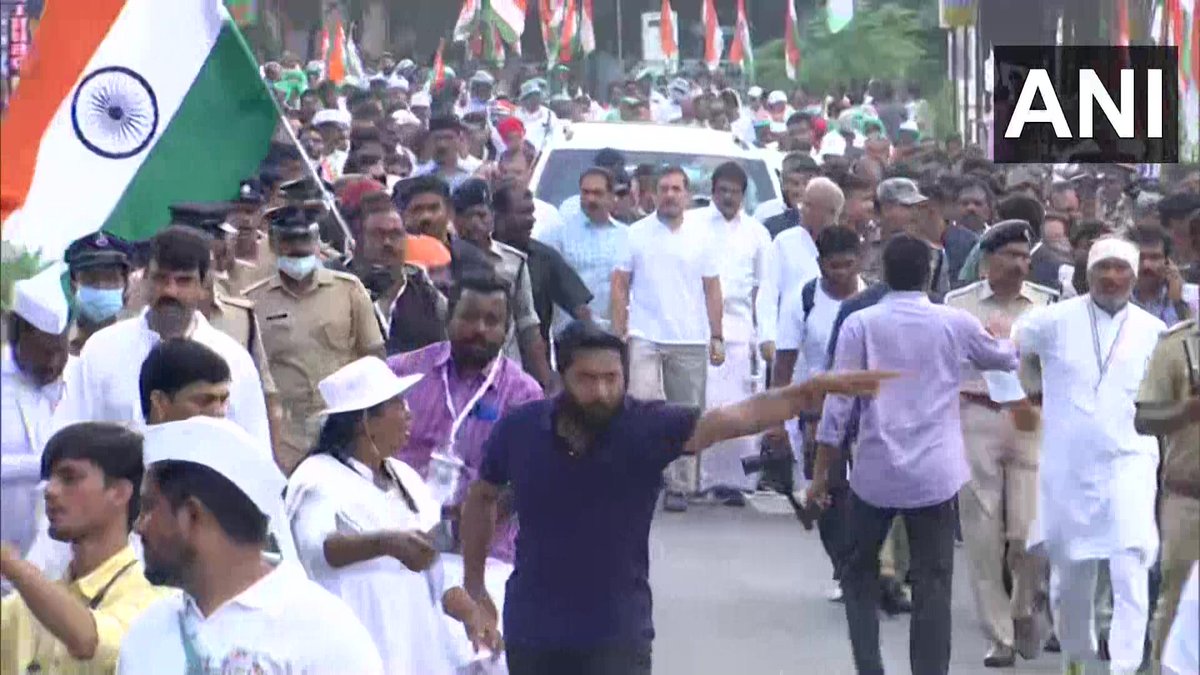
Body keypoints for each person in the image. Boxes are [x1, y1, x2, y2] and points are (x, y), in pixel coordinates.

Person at [457, 320, 895, 675]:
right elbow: (481, 499)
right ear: (561, 377)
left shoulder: (645, 427)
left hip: (618, 631)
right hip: (533, 627)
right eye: (587, 379)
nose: (602, 391)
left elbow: (735, 418)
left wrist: (806, 392)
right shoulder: (520, 429)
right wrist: (474, 584)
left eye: (612, 378)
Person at [810, 234, 1020, 675]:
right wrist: (1005, 336)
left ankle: (870, 665)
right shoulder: (954, 322)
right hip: (935, 473)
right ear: (930, 274)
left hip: (874, 472)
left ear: (883, 274)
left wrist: (820, 473)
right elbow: (1002, 359)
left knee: (858, 576)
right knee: (933, 583)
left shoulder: (861, 324)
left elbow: (839, 403)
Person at [117, 417, 383, 673]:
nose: (139, 526)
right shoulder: (146, 635)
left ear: (192, 515)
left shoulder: (323, 635)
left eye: (149, 508)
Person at [1016, 237, 1167, 675]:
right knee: (1071, 574)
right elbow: (1010, 350)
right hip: (1069, 464)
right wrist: (1027, 395)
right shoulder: (1050, 321)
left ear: (1135, 276)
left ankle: (1124, 664)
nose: (1112, 278)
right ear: (1088, 273)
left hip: (1130, 461)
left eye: (1122, 269)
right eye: (1104, 268)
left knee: (1130, 562)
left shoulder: (1153, 331)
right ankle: (1077, 659)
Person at [286, 357, 474, 674]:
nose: (408, 413)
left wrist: (470, 613)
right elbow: (316, 549)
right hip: (358, 637)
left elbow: (434, 564)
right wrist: (386, 543)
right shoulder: (316, 476)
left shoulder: (405, 476)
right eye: (397, 404)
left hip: (414, 642)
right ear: (364, 421)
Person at [943, 220, 1058, 667]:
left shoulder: (1047, 305)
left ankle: (1024, 610)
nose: (1018, 264)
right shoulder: (958, 305)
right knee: (981, 533)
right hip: (975, 416)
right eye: (1009, 255)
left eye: (1024, 256)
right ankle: (1000, 637)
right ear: (987, 259)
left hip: (1030, 415)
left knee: (1028, 533)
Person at [56, 226, 270, 444]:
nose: (170, 291)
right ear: (144, 279)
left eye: (183, 281)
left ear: (205, 286)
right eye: (161, 279)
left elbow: (255, 450)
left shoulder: (233, 359)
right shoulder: (102, 350)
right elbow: (75, 439)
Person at [387, 273, 544, 565]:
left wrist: (481, 512)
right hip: (398, 539)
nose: (479, 330)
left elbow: (529, 479)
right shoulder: (401, 373)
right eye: (469, 317)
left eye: (492, 321)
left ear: (507, 330)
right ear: (448, 318)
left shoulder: (524, 395)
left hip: (484, 551)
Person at [1, 423, 168, 674]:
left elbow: (89, 641)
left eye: (69, 478)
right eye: (50, 479)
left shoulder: (157, 601)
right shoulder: (20, 607)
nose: (50, 490)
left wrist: (11, 564)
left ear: (120, 492)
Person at [610, 166, 725, 513]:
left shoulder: (702, 236)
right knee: (640, 404)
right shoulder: (636, 234)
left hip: (690, 338)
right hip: (644, 334)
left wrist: (717, 333)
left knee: (686, 415)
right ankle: (640, 475)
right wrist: (620, 332)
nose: (670, 194)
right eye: (664, 188)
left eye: (677, 189)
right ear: (652, 194)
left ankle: (680, 484)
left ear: (687, 195)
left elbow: (712, 287)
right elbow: (619, 284)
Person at [243, 203, 385, 473]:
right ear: (273, 244)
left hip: (342, 431)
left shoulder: (349, 291)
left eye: (304, 239)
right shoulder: (253, 302)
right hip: (284, 442)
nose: (297, 248)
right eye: (288, 240)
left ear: (317, 242)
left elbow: (374, 362)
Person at [770, 225, 867, 600]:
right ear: (820, 264)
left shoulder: (874, 296)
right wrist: (776, 420)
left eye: (848, 265)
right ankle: (845, 569)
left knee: (869, 495)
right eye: (833, 266)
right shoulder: (804, 298)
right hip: (818, 412)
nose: (841, 273)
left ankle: (870, 569)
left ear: (861, 260)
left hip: (869, 411)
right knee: (826, 492)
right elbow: (784, 363)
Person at [691, 161, 772, 500]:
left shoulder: (757, 232)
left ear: (743, 195)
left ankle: (737, 483)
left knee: (739, 408)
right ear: (712, 191)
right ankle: (697, 481)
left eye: (734, 192)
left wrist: (765, 335)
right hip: (696, 325)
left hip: (741, 330)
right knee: (703, 406)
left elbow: (763, 289)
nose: (727, 197)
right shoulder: (692, 226)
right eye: (722, 190)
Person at [1135, 315, 1199, 672]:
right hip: (1189, 498)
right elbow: (1144, 419)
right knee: (1177, 600)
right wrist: (1185, 411)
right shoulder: (1177, 345)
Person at [2, 266, 73, 571]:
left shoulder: (80, 379)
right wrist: (41, 465)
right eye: (44, 352)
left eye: (60, 351)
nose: (53, 363)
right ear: (17, 335)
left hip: (61, 576)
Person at [453, 179, 555, 389]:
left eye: (481, 215)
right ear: (455, 219)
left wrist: (545, 381)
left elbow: (527, 323)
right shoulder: (444, 259)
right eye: (467, 216)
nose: (474, 224)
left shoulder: (513, 262)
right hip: (457, 367)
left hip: (505, 370)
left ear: (493, 218)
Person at [491, 181, 594, 350]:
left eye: (531, 212)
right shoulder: (477, 254)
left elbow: (580, 310)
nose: (531, 220)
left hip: (533, 365)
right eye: (523, 213)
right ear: (499, 215)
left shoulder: (545, 257)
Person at [757, 177, 844, 374]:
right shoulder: (784, 242)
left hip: (828, 343)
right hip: (789, 342)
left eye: (810, 205)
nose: (802, 209)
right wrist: (767, 336)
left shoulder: (842, 245)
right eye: (804, 203)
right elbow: (768, 292)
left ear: (831, 212)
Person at [538, 167, 631, 332]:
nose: (590, 199)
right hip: (571, 333)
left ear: (611, 197)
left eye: (597, 193)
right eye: (585, 193)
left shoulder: (627, 236)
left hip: (614, 334)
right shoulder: (558, 233)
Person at [64, 231, 133, 355]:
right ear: (73, 286)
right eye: (91, 279)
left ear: (126, 285)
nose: (101, 287)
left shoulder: (140, 350)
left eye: (111, 279)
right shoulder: (56, 351)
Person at [1128, 224, 1198, 323]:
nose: (1146, 265)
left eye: (1154, 257)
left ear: (1168, 261)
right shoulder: (1117, 298)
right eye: (1140, 257)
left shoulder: (1192, 296)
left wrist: (1177, 302)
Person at [416, 116, 474, 191]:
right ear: (429, 141)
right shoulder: (419, 176)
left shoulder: (473, 172)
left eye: (448, 138)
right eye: (437, 138)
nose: (442, 144)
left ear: (459, 140)